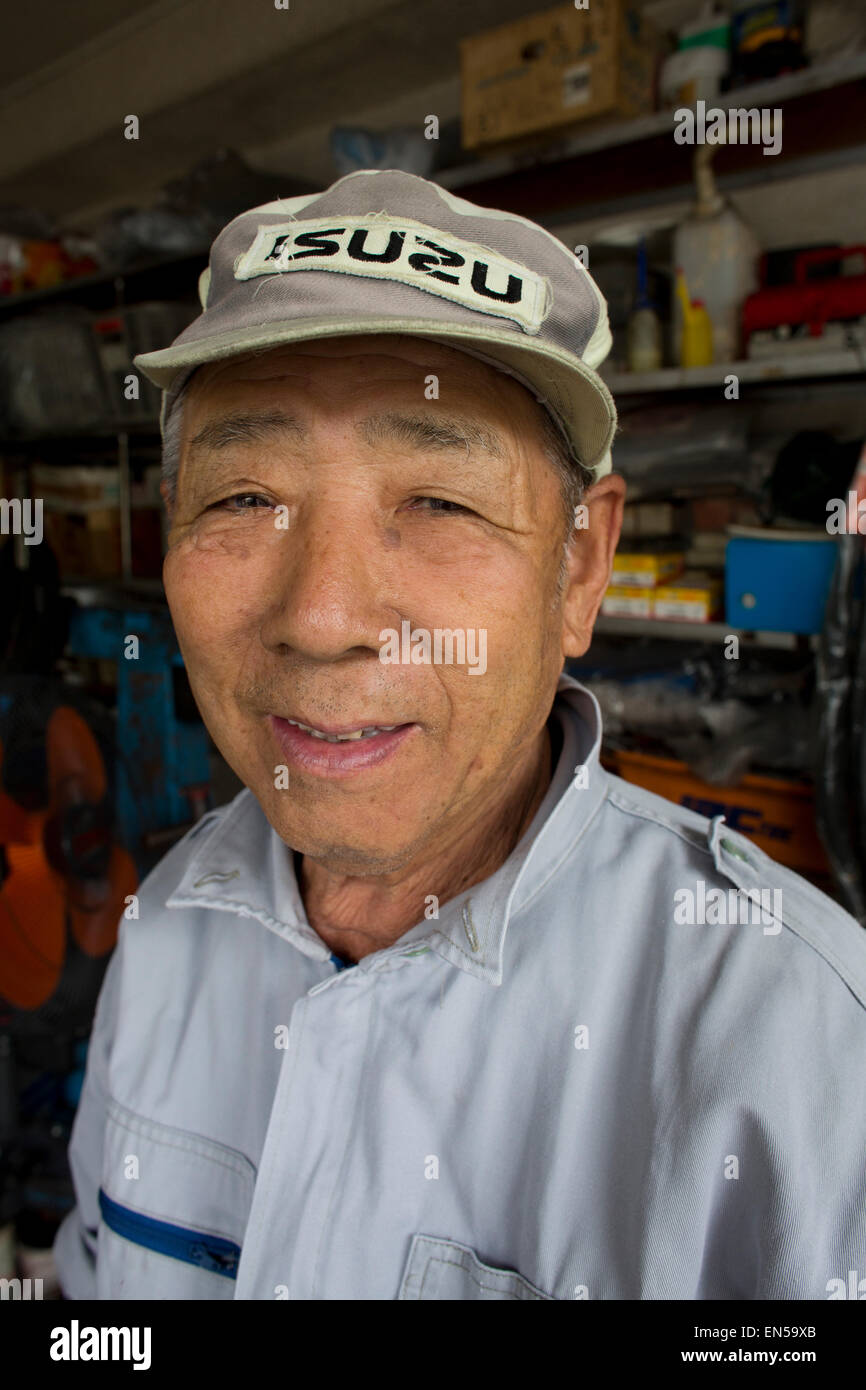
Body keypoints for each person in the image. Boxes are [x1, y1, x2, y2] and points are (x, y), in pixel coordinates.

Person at [54, 170, 866, 1301]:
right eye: (242, 497)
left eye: (439, 500)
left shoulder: (806, 1049)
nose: (321, 618)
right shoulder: (168, 921)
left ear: (578, 566)